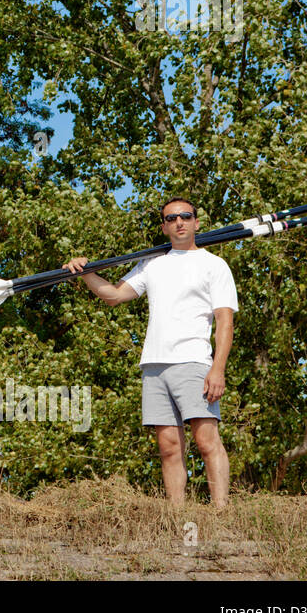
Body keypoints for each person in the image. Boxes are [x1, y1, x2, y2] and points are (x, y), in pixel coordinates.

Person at [63, 197, 237, 507]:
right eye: (171, 218)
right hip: (154, 366)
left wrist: (217, 368)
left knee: (206, 441)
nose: (179, 222)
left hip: (194, 362)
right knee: (169, 446)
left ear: (197, 222)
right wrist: (84, 272)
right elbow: (115, 295)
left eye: (185, 216)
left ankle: (222, 513)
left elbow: (225, 320)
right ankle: (175, 514)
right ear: (164, 227)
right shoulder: (152, 263)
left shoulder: (214, 264)